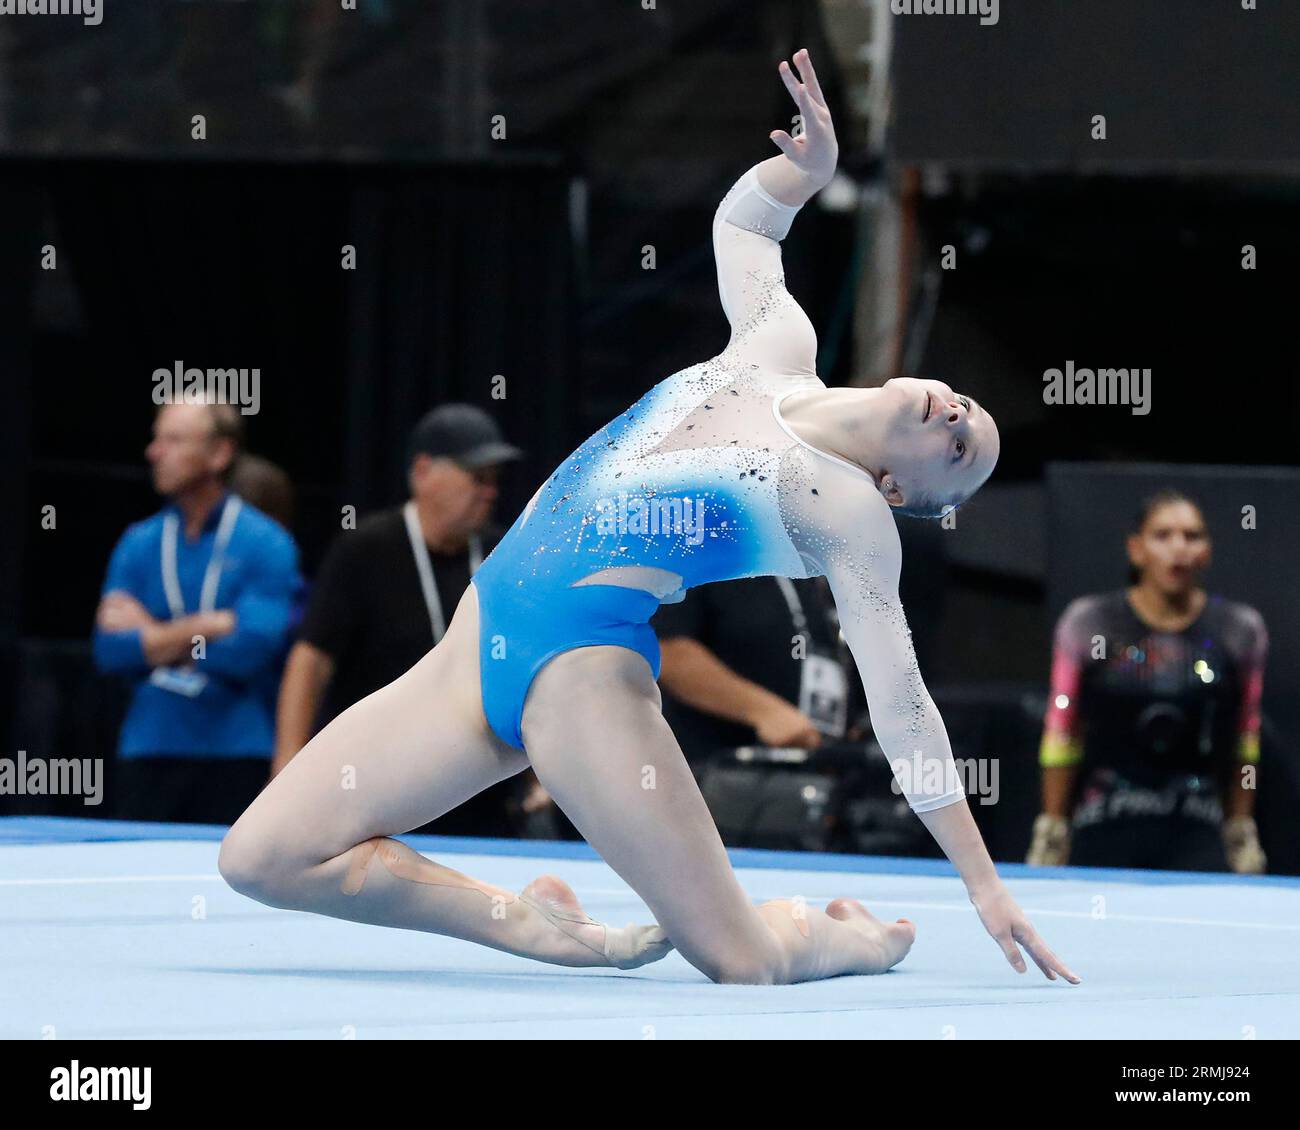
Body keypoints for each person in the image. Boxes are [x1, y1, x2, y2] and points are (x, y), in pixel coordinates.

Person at [219, 50, 1078, 986]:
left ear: (903, 493)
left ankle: (852, 936)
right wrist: (804, 176)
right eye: (962, 405)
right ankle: (531, 925)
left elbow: (903, 704)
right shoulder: (778, 342)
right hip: (480, 637)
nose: (955, 416)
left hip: (579, 676)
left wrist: (984, 884)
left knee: (743, 963)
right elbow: (745, 225)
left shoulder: (847, 511)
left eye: (963, 449)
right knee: (261, 858)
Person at [273, 405, 531, 836]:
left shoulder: (502, 555)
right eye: (477, 477)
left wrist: (537, 773)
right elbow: (311, 659)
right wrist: (286, 761)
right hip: (377, 777)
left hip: (479, 780)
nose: (490, 492)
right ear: (423, 471)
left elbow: (525, 665)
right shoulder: (364, 550)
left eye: (494, 480)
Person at [1027, 491, 1268, 873]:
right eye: (1163, 535)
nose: (1179, 548)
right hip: (1105, 814)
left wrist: (1240, 830)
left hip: (1196, 817)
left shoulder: (1239, 630)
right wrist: (1053, 830)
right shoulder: (1090, 623)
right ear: (1136, 549)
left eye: (1192, 536)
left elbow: (1244, 736)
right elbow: (1063, 730)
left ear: (1207, 551)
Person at [93, 402, 301, 824]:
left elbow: (251, 650)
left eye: (173, 440)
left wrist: (152, 636)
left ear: (219, 454)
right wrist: (208, 626)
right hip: (150, 745)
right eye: (156, 438)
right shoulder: (138, 541)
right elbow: (110, 651)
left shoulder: (266, 542)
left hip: (234, 751)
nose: (154, 452)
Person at [654, 575, 867, 763]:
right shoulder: (698, 546)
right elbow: (669, 650)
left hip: (819, 765)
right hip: (725, 770)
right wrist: (764, 712)